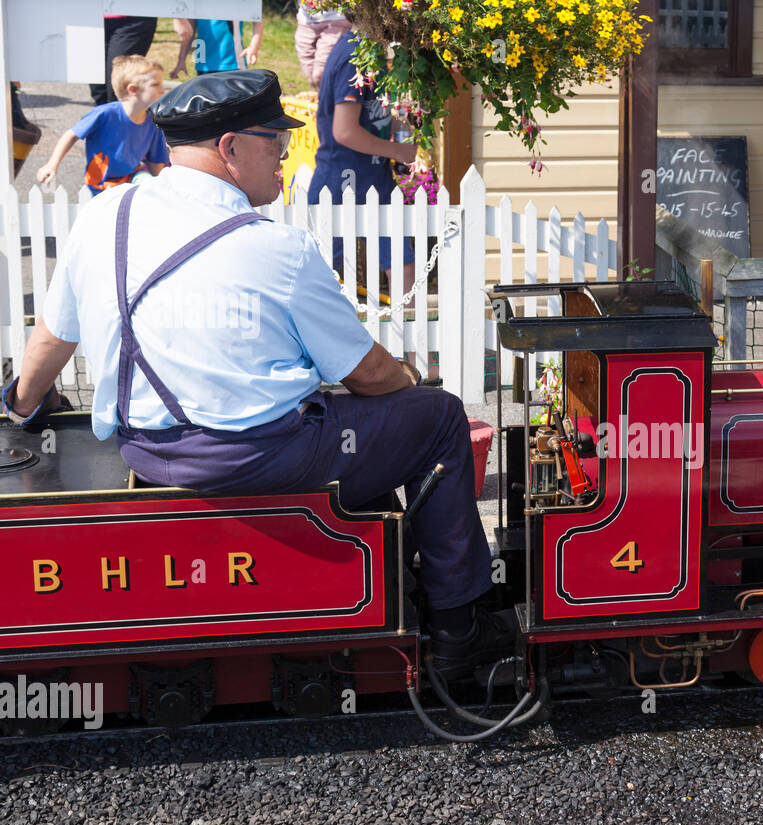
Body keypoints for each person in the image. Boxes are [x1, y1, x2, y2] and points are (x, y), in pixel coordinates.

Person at [2, 70, 510, 681]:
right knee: (439, 418)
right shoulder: (277, 248)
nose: (286, 156)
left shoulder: (105, 214)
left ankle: (380, 574)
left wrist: (23, 405)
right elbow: (371, 377)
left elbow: (53, 336)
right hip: (256, 457)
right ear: (231, 147)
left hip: (148, 450)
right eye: (276, 141)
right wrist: (408, 382)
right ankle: (460, 627)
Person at [308, 30, 416, 297]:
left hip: (374, 175)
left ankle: (412, 339)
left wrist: (398, 122)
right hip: (341, 177)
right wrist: (397, 151)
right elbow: (344, 131)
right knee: (322, 273)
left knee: (403, 265)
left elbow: (369, 113)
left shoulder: (373, 51)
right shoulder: (353, 55)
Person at [36, 56, 170, 196]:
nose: (163, 90)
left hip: (132, 178)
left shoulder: (153, 123)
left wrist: (161, 190)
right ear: (133, 90)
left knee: (147, 185)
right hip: (101, 184)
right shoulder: (105, 114)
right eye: (155, 84)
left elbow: (156, 162)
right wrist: (52, 165)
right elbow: (71, 135)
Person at [90, 15, 157, 106]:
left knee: (118, 87)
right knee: (98, 89)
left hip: (134, 17)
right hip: (93, 15)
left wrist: (178, 18)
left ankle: (119, 117)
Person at [172, 19, 265, 77]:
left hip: (232, 63)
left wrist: (253, 47)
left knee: (233, 106)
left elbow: (258, 19)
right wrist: (181, 59)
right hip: (204, 64)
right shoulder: (197, 3)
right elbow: (189, 32)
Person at [295, 2, 352, 91]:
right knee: (309, 73)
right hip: (306, 20)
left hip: (337, 18)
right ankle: (321, 100)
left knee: (320, 74)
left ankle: (332, 102)